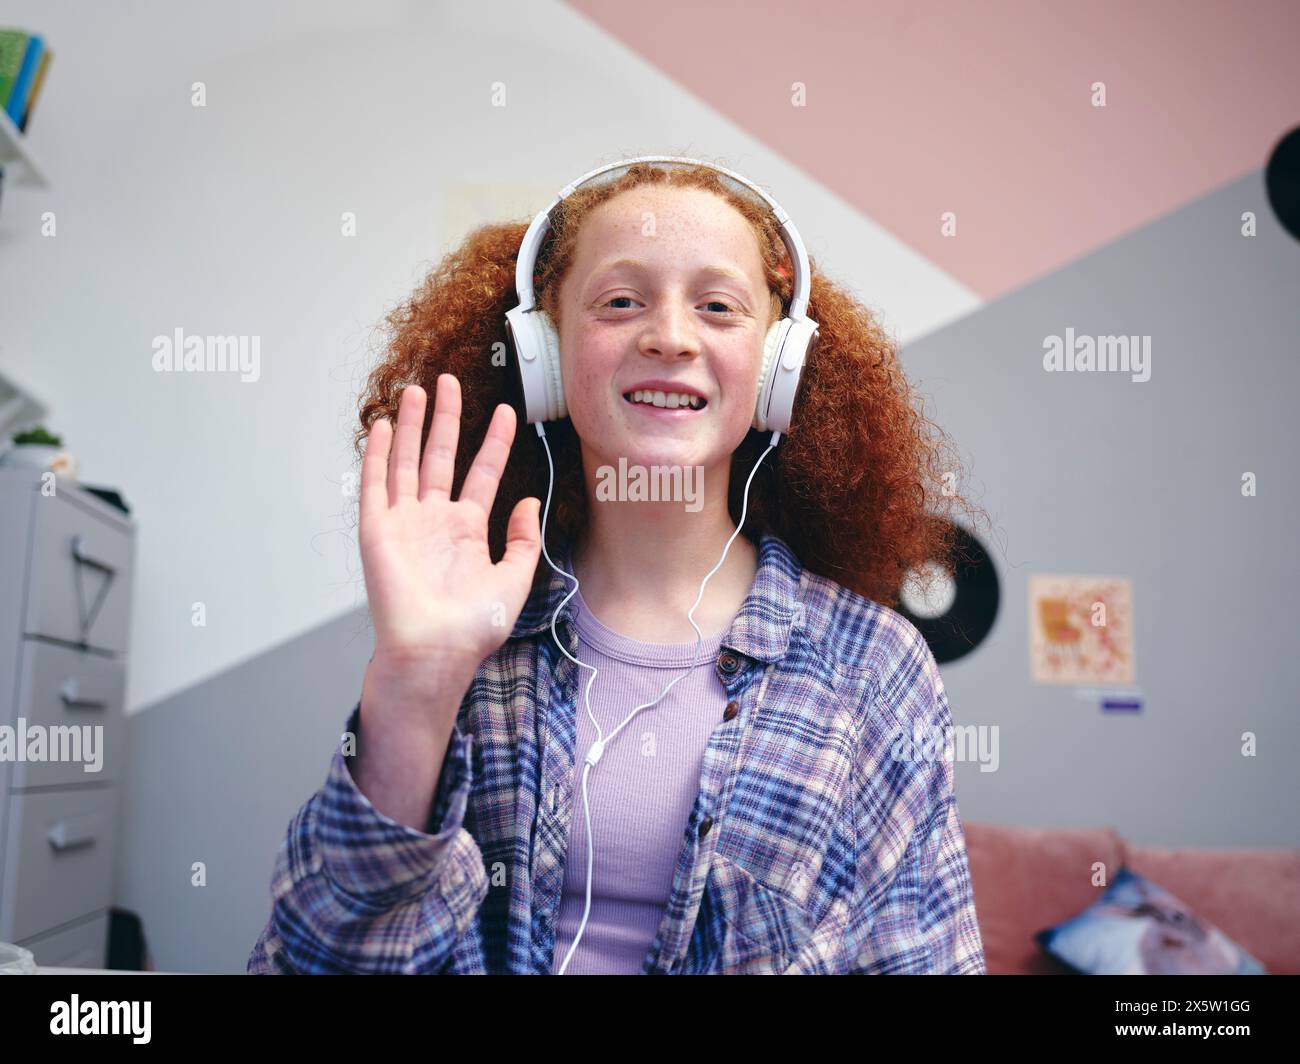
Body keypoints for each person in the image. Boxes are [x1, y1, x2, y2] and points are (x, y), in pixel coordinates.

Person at [247, 157, 988, 974]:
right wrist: (414, 684)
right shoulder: (470, 628)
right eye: (620, 301)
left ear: (779, 367)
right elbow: (313, 963)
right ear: (545, 354)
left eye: (717, 306)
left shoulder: (875, 666)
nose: (669, 336)